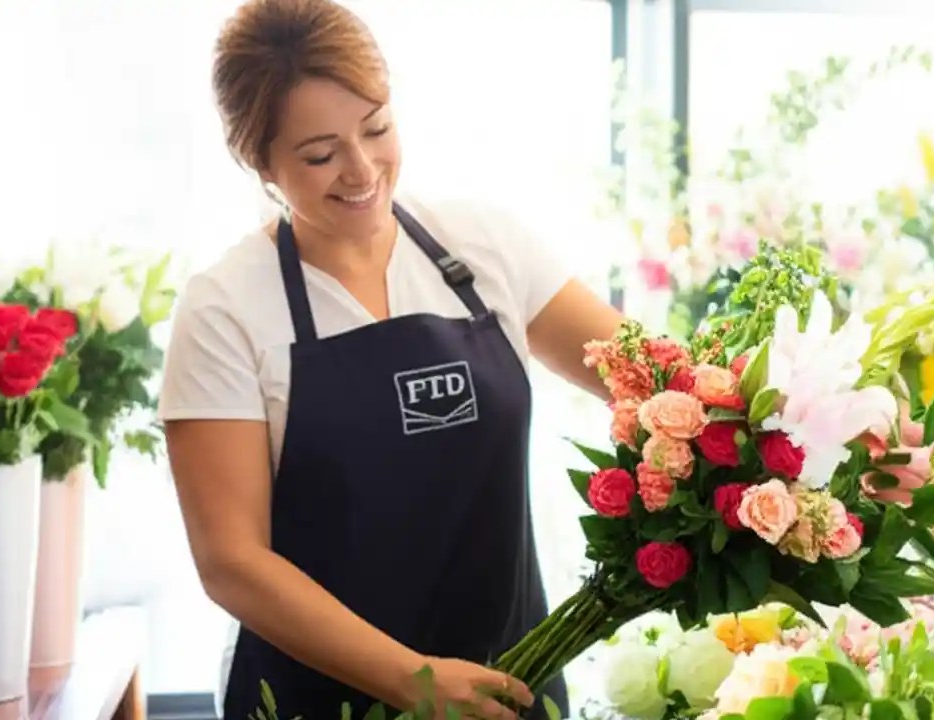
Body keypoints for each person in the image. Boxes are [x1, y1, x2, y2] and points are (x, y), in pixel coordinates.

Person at [159, 0, 625, 718]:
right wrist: (415, 680)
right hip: (317, 701)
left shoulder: (482, 246)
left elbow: (653, 383)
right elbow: (232, 562)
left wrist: (800, 434)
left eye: (376, 127)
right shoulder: (226, 309)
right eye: (319, 154)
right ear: (259, 160)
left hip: (509, 687)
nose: (361, 168)